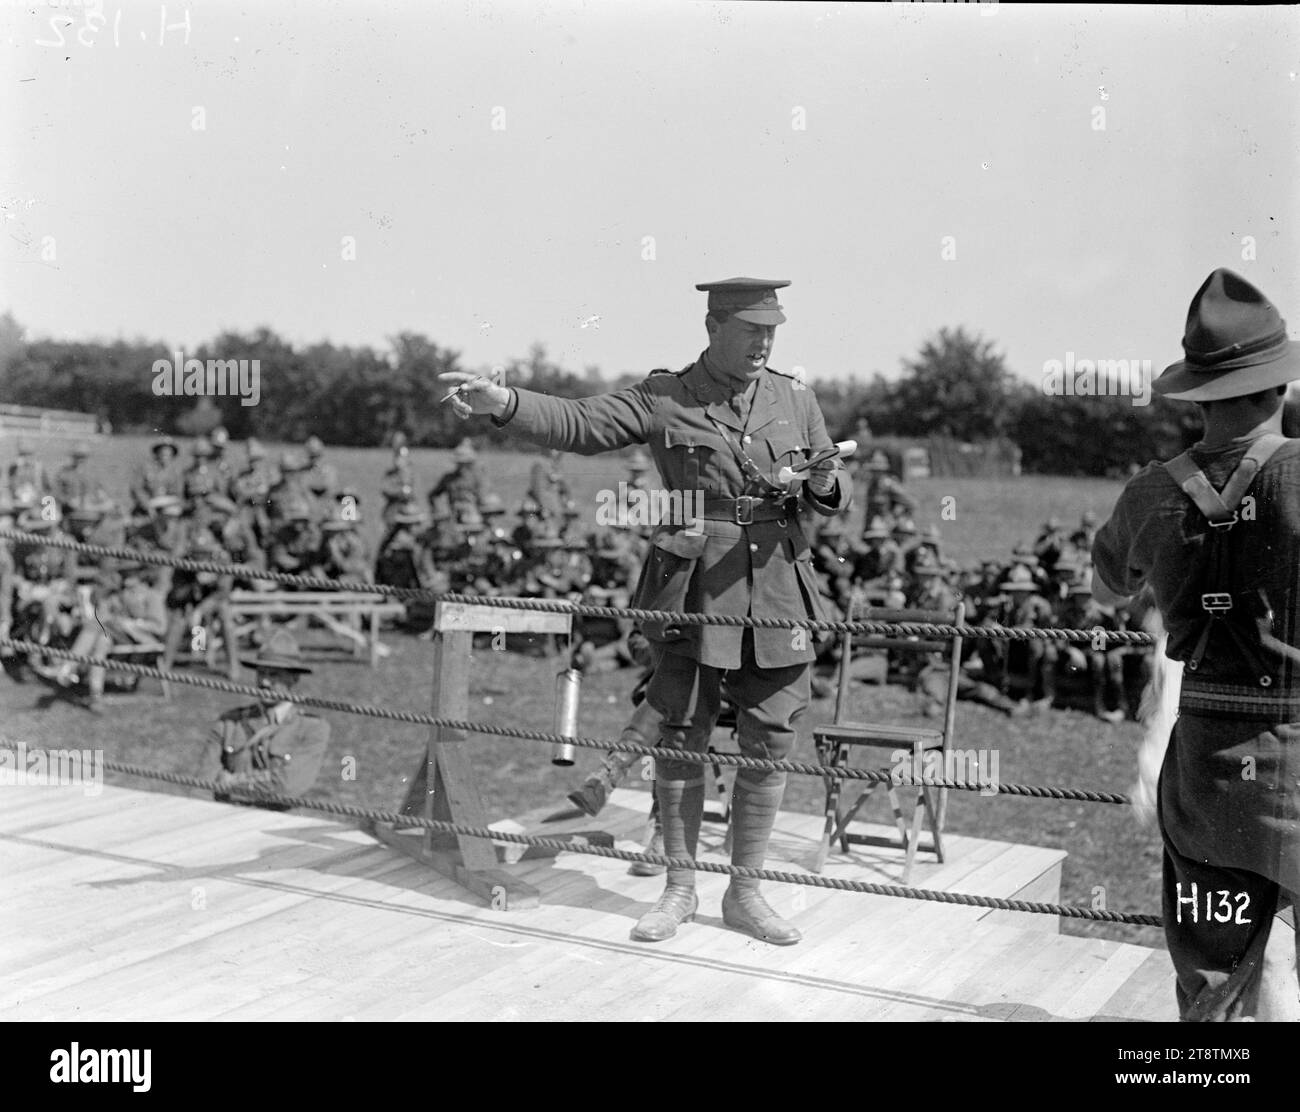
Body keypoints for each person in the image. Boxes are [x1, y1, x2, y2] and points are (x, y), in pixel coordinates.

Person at [439, 276, 851, 946]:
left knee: (771, 737)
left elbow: (830, 486)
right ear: (715, 327)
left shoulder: (795, 398)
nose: (764, 342)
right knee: (682, 734)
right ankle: (679, 889)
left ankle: (746, 893)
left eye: (772, 331)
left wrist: (829, 484)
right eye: (751, 330)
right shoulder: (665, 396)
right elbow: (582, 423)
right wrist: (505, 403)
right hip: (694, 587)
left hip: (778, 584)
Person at [1092, 268, 1300, 1021]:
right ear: (1279, 388)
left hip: (1205, 768)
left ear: (1200, 394)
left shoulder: (1151, 491)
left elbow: (1107, 585)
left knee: (1213, 982)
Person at [208, 630, 331, 811]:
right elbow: (202, 783)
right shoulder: (229, 723)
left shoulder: (312, 729)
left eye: (273, 675)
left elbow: (287, 787)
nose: (264, 682)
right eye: (261, 673)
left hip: (280, 825)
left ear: (294, 678)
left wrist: (232, 782)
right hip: (227, 820)